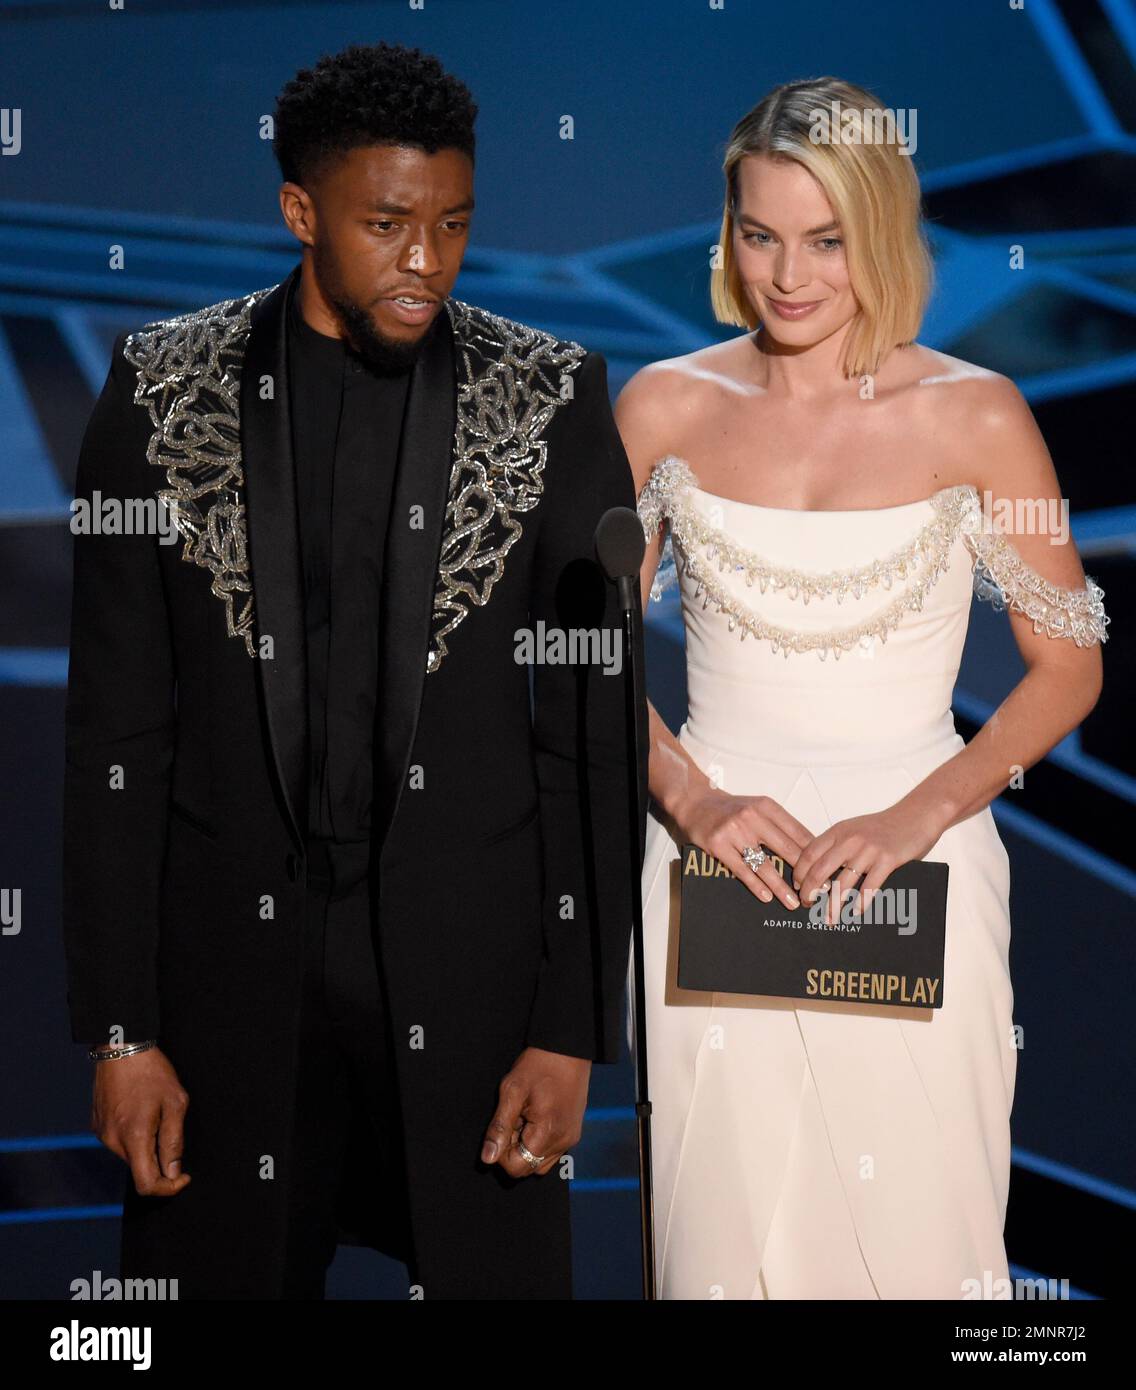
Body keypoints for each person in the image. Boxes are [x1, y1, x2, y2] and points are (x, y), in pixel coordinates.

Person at [62, 40, 645, 1300]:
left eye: (452, 222)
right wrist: (122, 1026)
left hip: (477, 984)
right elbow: (116, 734)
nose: (425, 261)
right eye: (386, 225)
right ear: (299, 211)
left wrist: (571, 1025)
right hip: (226, 991)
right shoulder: (160, 392)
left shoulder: (548, 397)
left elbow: (589, 738)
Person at [615, 76, 1109, 1300]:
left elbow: (1068, 667)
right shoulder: (662, 403)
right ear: (724, 231)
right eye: (759, 233)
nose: (789, 275)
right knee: (723, 1235)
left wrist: (913, 814)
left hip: (914, 862)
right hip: (706, 864)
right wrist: (689, 799)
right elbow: (578, 654)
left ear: (879, 232)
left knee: (914, 1240)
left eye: (825, 240)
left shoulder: (976, 412)